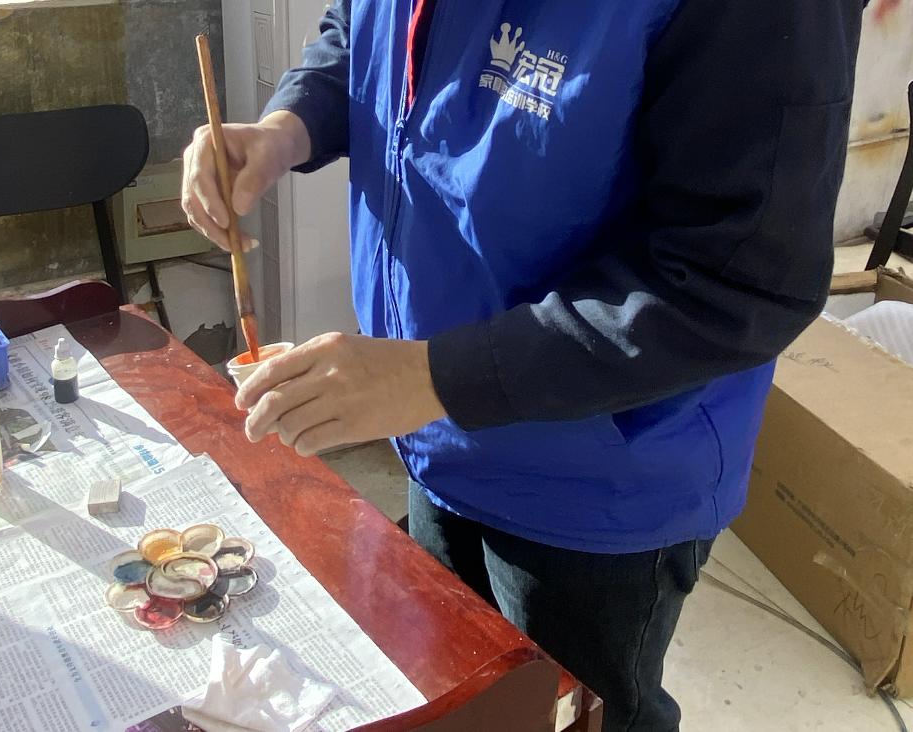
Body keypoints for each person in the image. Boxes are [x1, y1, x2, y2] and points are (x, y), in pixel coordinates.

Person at [182, 2, 864, 729]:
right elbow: (363, 29)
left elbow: (737, 282)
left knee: (573, 711)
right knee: (463, 692)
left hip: (596, 482)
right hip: (433, 431)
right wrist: (289, 126)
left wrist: (431, 377)